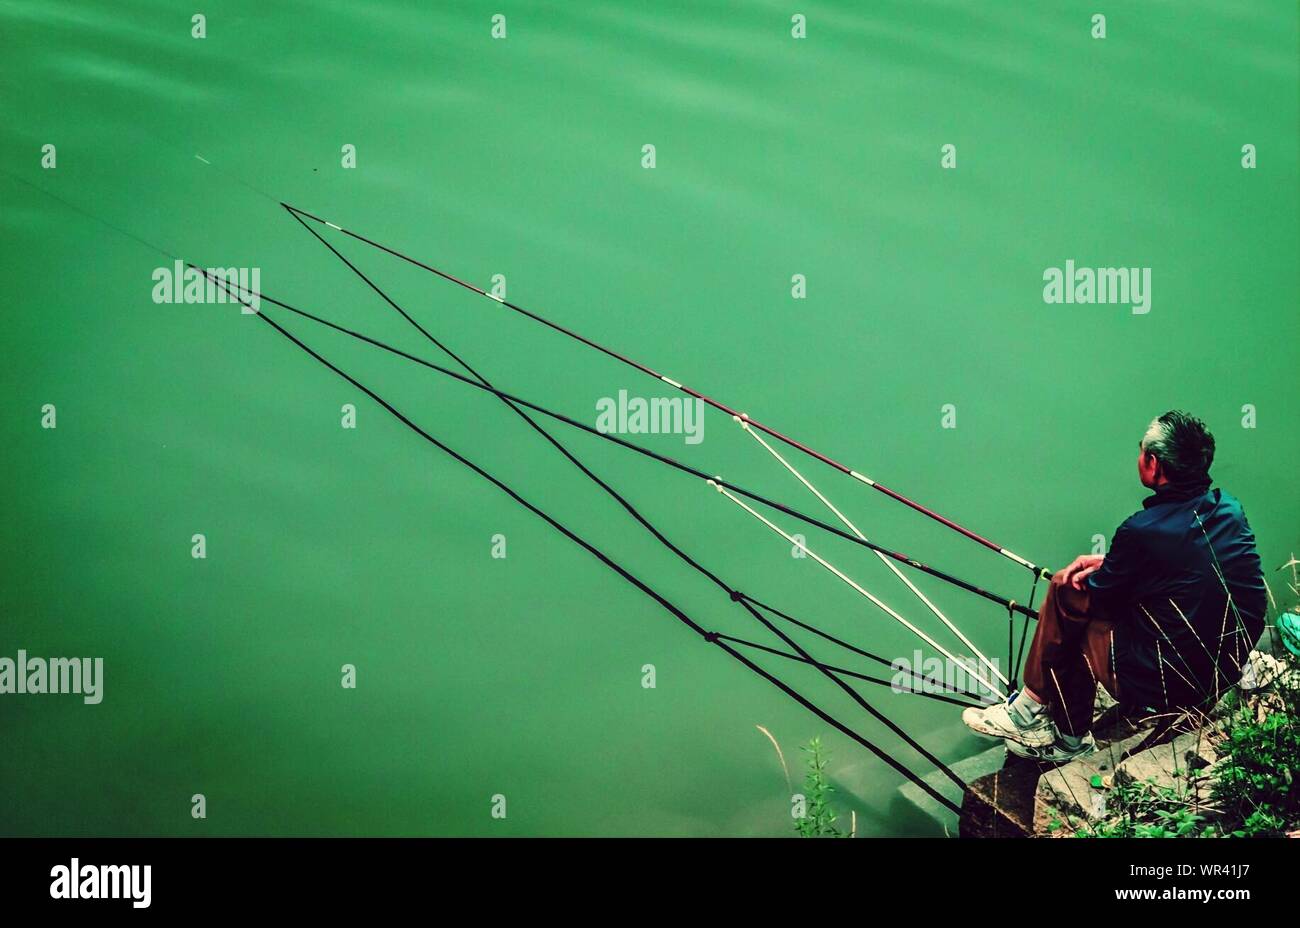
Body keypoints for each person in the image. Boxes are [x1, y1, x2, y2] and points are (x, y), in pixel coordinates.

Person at [962, 411, 1267, 761]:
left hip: (1174, 682)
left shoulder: (1141, 530)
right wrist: (1112, 564)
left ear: (1153, 464)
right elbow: (1184, 562)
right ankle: (1045, 720)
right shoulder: (1229, 508)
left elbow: (1098, 599)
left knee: (1067, 593)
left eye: (1142, 450)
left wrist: (1087, 576)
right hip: (1228, 665)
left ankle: (1044, 724)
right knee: (1083, 595)